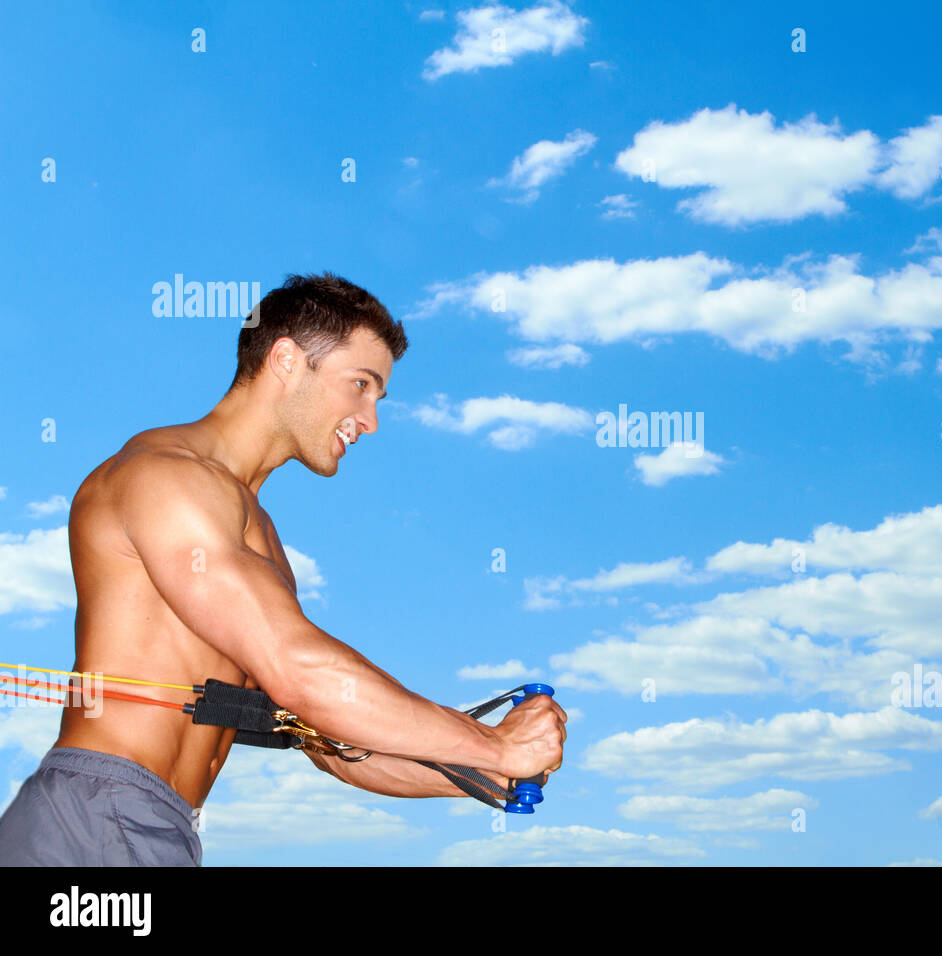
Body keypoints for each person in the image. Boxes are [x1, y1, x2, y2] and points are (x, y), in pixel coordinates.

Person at [0, 272, 566, 866]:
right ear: (288, 360)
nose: (370, 419)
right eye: (360, 385)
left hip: (149, 822)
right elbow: (301, 671)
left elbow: (328, 738)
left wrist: (480, 772)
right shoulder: (167, 478)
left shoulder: (259, 538)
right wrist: (496, 746)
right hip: (103, 816)